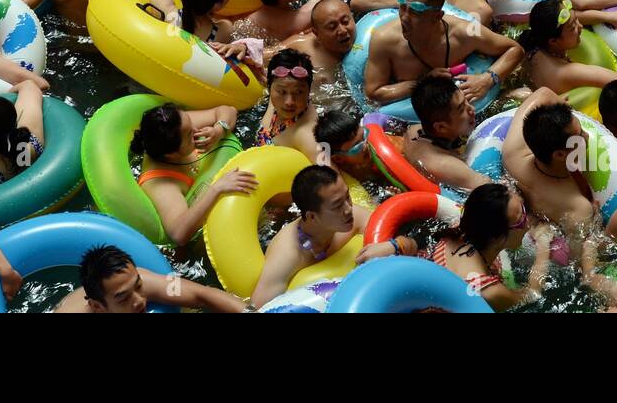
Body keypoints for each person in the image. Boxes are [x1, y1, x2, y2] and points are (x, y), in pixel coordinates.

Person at [251, 164, 403, 307]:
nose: (349, 209)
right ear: (312, 217)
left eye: (347, 196)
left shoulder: (353, 216)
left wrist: (395, 245)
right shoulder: (287, 256)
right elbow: (258, 308)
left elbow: (400, 236)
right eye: (337, 205)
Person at [362, 0, 523, 108]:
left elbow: (515, 49)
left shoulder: (464, 33)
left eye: (416, 12)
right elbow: (373, 92)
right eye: (403, 7)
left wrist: (487, 80)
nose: (404, 17)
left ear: (437, 16)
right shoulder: (384, 40)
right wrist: (423, 82)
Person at [133, 102, 255, 245]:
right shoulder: (161, 184)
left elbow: (230, 110)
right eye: (190, 134)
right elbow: (178, 234)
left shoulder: (176, 124)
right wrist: (216, 188)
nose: (197, 129)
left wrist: (219, 130)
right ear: (171, 155)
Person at [430, 183, 552, 311]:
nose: (527, 223)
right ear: (497, 238)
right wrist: (544, 245)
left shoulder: (452, 234)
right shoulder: (490, 292)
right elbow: (532, 294)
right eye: (521, 220)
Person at [504, 89, 601, 234]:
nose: (587, 136)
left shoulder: (512, 154)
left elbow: (543, 93)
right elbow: (580, 251)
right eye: (580, 136)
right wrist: (596, 218)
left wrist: (558, 115)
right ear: (560, 154)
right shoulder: (578, 206)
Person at [55, 244, 246, 313]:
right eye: (123, 298)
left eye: (138, 287)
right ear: (97, 307)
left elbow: (202, 295)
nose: (139, 300)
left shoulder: (140, 281)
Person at [521, 0, 617, 91]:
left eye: (576, 20)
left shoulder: (533, 42)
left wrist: (609, 16)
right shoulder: (567, 72)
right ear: (554, 41)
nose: (580, 26)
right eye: (572, 28)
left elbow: (572, 18)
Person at [402, 71, 493, 194]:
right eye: (461, 109)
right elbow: (491, 189)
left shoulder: (414, 130)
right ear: (441, 127)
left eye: (466, 100)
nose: (472, 109)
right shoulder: (447, 165)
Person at [275, 0, 356, 76]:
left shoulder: (366, 38)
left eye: (345, 22)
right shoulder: (303, 45)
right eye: (332, 27)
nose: (342, 31)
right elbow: (264, 55)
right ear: (317, 34)